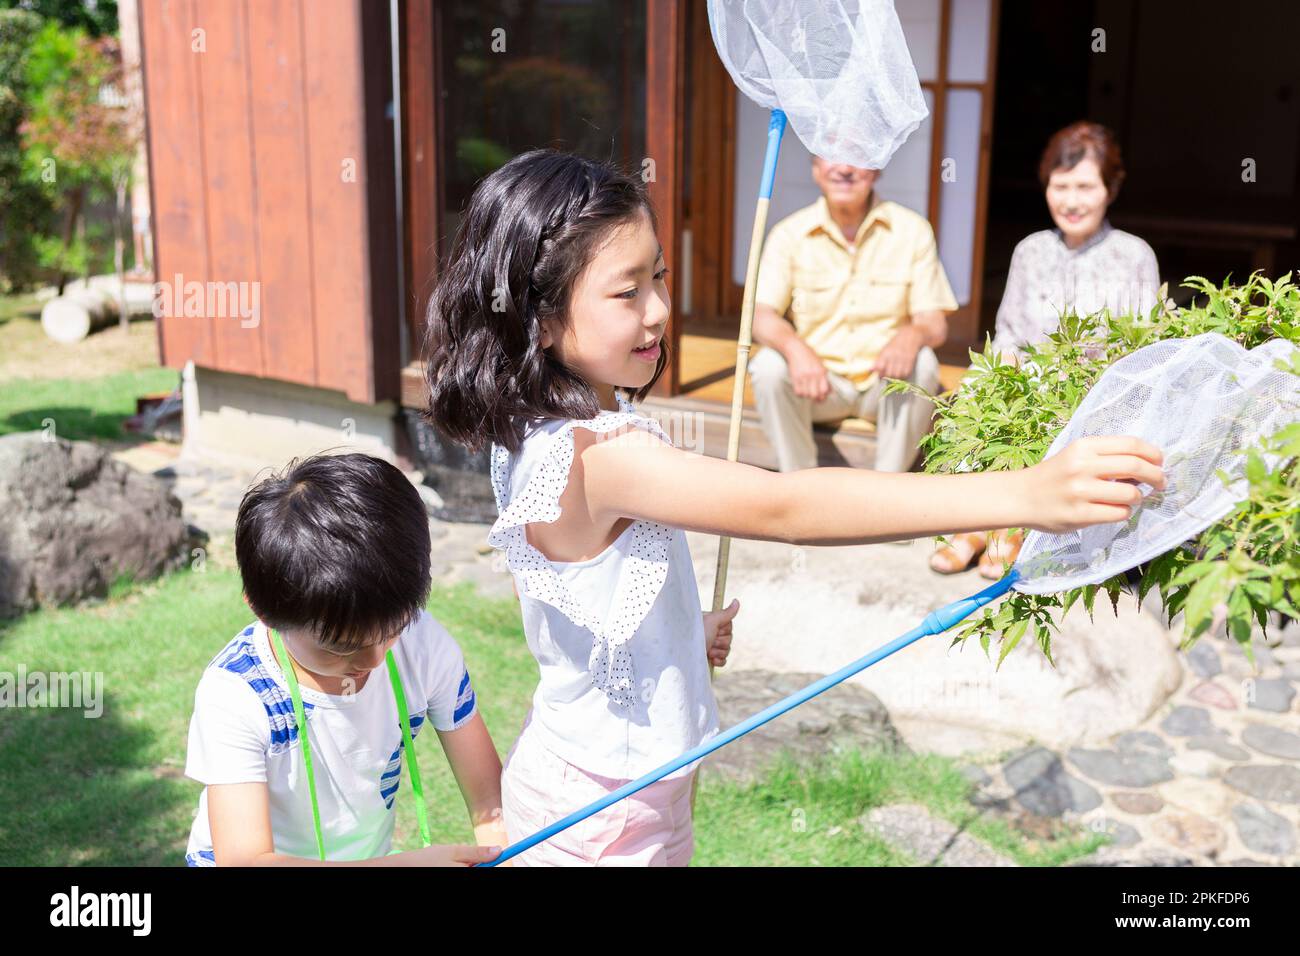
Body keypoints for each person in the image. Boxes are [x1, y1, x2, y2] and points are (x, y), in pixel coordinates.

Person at [422, 148, 1165, 866]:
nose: (658, 310)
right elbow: (785, 505)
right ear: (542, 319)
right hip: (597, 815)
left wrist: (677, 633)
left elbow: (571, 594)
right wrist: (1024, 492)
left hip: (625, 785)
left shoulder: (532, 427)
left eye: (660, 275)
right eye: (627, 291)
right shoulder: (598, 453)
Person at [184, 453, 507, 866]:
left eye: (393, 629)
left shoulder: (423, 642)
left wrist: (501, 851)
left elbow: (488, 799)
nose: (373, 659)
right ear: (263, 612)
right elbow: (246, 861)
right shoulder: (235, 694)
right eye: (340, 645)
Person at [931, 120, 1161, 578]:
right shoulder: (1030, 251)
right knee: (978, 390)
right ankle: (977, 524)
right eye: (1060, 186)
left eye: (1084, 186)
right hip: (1031, 384)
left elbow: (1144, 352)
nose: (1071, 201)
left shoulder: (1134, 255)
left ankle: (1009, 532)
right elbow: (1011, 334)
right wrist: (1000, 388)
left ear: (1110, 188)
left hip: (1099, 396)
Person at [748, 157, 958, 473]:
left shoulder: (912, 230)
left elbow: (934, 322)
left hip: (884, 385)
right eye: (831, 155)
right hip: (819, 386)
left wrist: (910, 336)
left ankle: (885, 493)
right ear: (815, 168)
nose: (844, 168)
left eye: (858, 157)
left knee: (924, 361)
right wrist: (796, 350)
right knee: (768, 366)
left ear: (877, 167)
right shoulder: (789, 234)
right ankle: (802, 485)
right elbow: (760, 316)